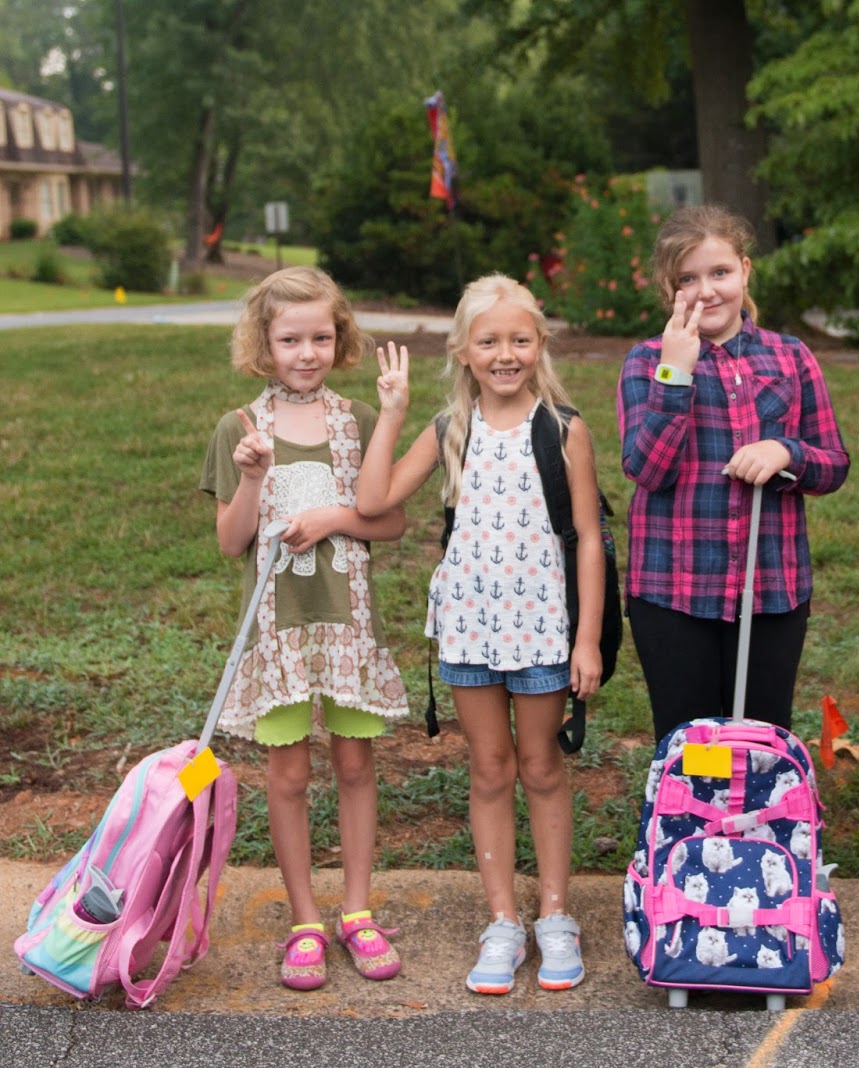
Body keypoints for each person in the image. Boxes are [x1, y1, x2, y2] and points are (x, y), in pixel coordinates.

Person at [354, 274, 604, 996]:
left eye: (519, 340)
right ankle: (503, 920)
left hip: (543, 632)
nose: (505, 354)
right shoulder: (448, 430)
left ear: (540, 345)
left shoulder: (562, 429)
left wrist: (586, 640)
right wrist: (392, 413)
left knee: (543, 768)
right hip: (468, 629)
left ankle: (555, 915)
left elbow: (588, 537)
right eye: (489, 341)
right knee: (489, 770)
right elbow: (373, 501)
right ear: (464, 351)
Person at [199, 266, 410, 991]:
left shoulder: (353, 418)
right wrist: (253, 476)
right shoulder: (241, 427)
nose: (307, 352)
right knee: (287, 775)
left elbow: (393, 518)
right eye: (291, 339)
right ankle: (304, 919)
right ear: (264, 342)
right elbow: (231, 543)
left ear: (340, 337)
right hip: (279, 634)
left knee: (355, 766)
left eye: (321, 336)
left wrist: (335, 517)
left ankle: (356, 910)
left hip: (347, 626)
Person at [618, 205, 850, 743]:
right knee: (691, 743)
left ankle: (757, 827)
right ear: (669, 288)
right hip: (673, 592)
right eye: (688, 279)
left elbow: (833, 464)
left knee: (761, 741)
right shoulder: (646, 360)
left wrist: (787, 452)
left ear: (745, 270)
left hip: (771, 589)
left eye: (719, 273)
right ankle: (693, 826)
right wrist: (676, 373)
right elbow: (646, 470)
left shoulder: (790, 357)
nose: (707, 291)